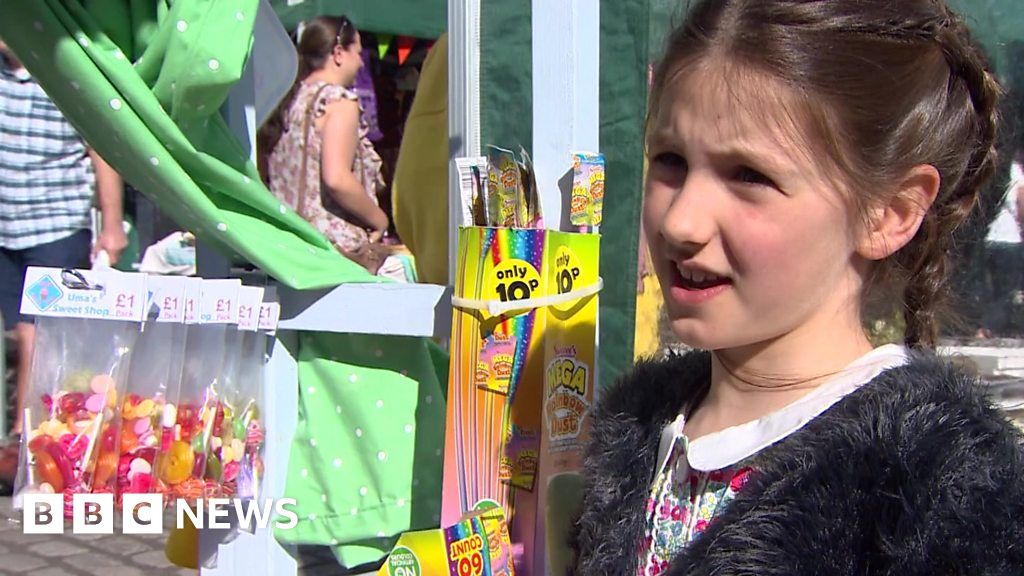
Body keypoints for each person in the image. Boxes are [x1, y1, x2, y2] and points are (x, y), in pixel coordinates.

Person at [572, 1, 1024, 574]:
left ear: (889, 213)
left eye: (749, 176)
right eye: (670, 161)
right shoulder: (635, 431)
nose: (681, 221)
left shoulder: (933, 483)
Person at [0, 39, 127, 446]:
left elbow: (101, 152)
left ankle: (29, 433)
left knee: (36, 330)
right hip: (6, 226)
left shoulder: (64, 76)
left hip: (57, 222)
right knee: (22, 330)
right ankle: (38, 428)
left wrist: (112, 225)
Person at [258, 15, 390, 274]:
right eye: (358, 52)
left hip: (284, 241)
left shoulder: (285, 100)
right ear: (339, 53)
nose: (361, 62)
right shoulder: (337, 102)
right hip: (330, 249)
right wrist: (379, 218)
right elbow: (337, 178)